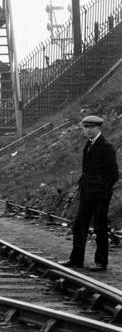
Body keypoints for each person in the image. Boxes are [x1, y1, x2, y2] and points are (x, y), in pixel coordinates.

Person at [62, 114, 119, 271]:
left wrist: (102, 190)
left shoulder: (105, 147)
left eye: (90, 128)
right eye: (85, 128)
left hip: (100, 195)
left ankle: (101, 262)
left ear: (98, 128)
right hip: (86, 193)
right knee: (79, 226)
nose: (87, 131)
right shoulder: (88, 145)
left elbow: (113, 174)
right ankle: (76, 259)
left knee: (100, 227)